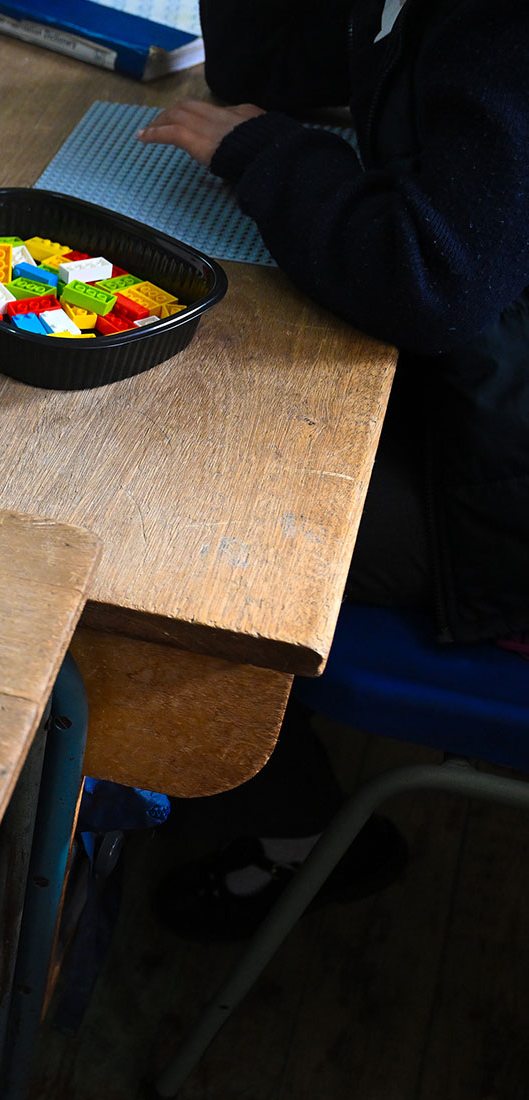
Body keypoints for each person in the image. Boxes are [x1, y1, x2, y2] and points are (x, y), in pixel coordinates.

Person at [135, 0, 529, 939]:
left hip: (501, 500)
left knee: (176, 529)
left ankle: (302, 836)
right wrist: (262, 129)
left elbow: (431, 275)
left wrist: (267, 156)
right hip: (473, 402)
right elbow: (266, 69)